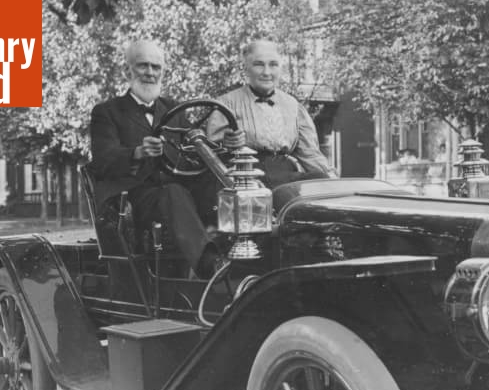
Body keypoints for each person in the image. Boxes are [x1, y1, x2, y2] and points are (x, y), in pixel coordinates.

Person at [88, 40, 222, 278]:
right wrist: (137, 152)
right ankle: (209, 265)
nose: (150, 73)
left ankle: (246, 255)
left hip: (178, 190)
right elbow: (102, 161)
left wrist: (222, 144)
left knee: (222, 184)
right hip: (134, 197)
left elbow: (196, 146)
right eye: (143, 65)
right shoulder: (107, 111)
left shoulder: (173, 109)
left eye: (156, 67)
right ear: (127, 70)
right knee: (173, 192)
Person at [206, 39, 337, 189]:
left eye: (273, 65)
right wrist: (226, 144)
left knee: (319, 180)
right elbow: (210, 154)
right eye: (259, 64)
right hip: (245, 177)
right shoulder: (226, 104)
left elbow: (309, 154)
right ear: (246, 69)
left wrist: (331, 179)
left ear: (280, 69)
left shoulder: (293, 106)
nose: (267, 72)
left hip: (286, 175)